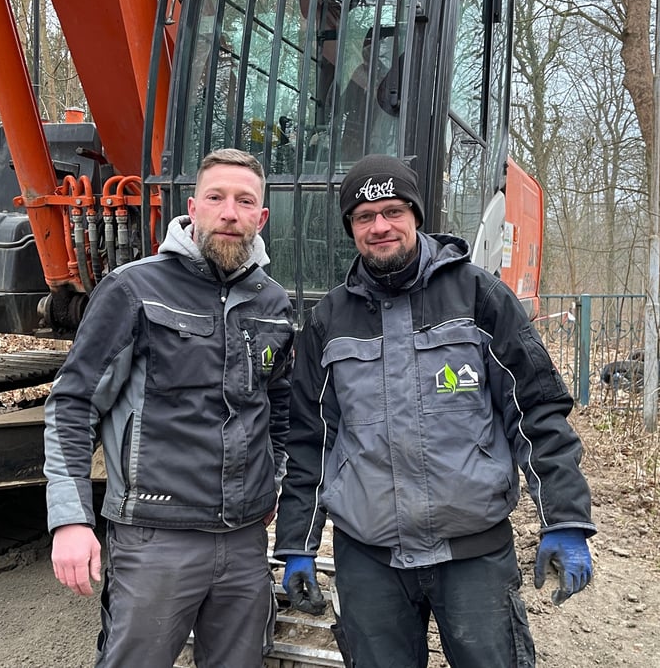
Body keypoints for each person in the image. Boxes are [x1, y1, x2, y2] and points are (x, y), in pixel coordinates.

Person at [274, 154, 595, 668]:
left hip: (473, 555)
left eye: (393, 211)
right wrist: (297, 544)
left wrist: (565, 518)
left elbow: (536, 412)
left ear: (416, 216)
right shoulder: (327, 321)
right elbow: (311, 440)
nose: (380, 226)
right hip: (369, 559)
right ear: (350, 229)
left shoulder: (479, 296)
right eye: (364, 217)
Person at [43, 148, 295, 668]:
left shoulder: (273, 303)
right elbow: (73, 403)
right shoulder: (133, 289)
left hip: (245, 540)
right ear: (193, 206)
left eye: (245, 201)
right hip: (156, 536)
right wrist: (70, 519)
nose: (230, 212)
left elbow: (279, 406)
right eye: (217, 197)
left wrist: (272, 482)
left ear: (261, 216)